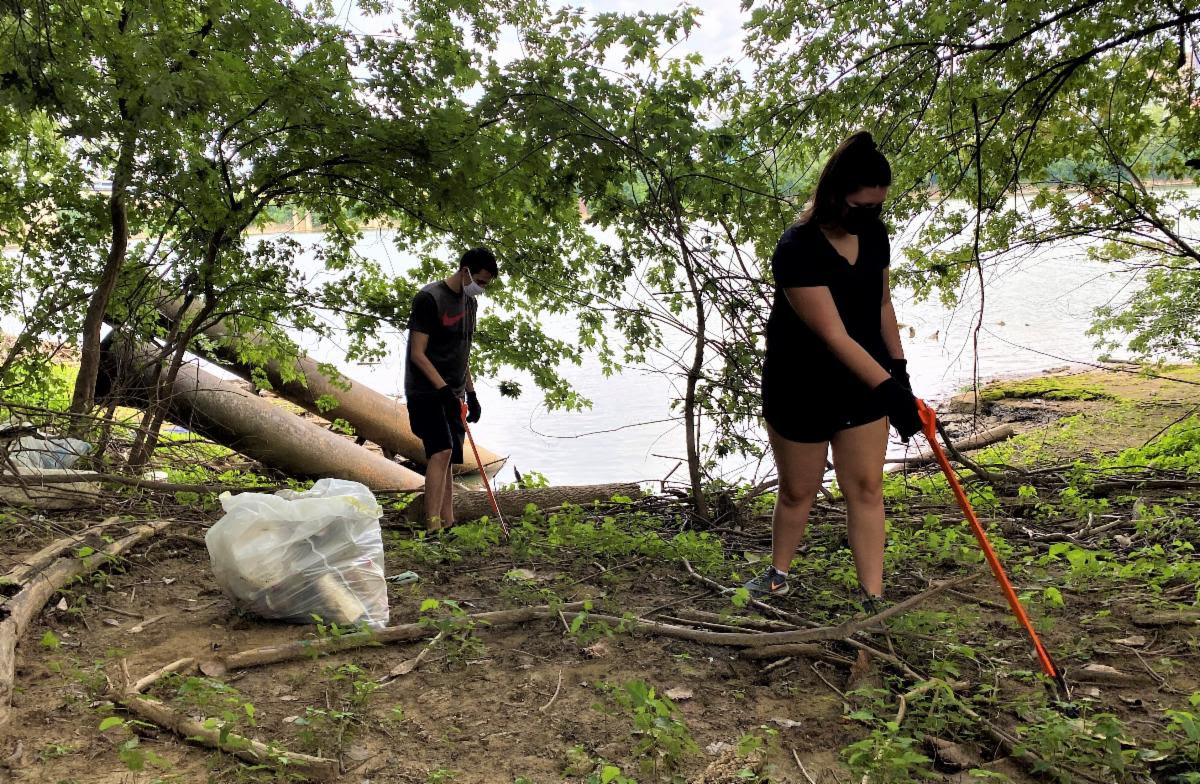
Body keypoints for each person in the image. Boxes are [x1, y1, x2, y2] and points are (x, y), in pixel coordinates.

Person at [744, 132, 922, 604]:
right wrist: (889, 391)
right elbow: (833, 334)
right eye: (862, 208)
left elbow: (881, 303)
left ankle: (872, 598)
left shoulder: (874, 236)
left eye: (878, 208)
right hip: (800, 384)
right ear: (834, 196)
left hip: (864, 382)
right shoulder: (797, 248)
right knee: (798, 491)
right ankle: (778, 574)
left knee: (865, 486)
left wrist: (898, 371)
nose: (871, 217)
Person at [404, 247, 498, 531]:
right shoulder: (430, 299)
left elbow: (462, 353)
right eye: (479, 281)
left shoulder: (470, 304)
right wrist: (443, 390)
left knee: (448, 459)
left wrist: (471, 393)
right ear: (465, 270)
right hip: (426, 391)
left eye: (485, 285)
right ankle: (432, 526)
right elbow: (417, 354)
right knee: (440, 451)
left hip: (453, 393)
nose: (480, 288)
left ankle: (448, 522)